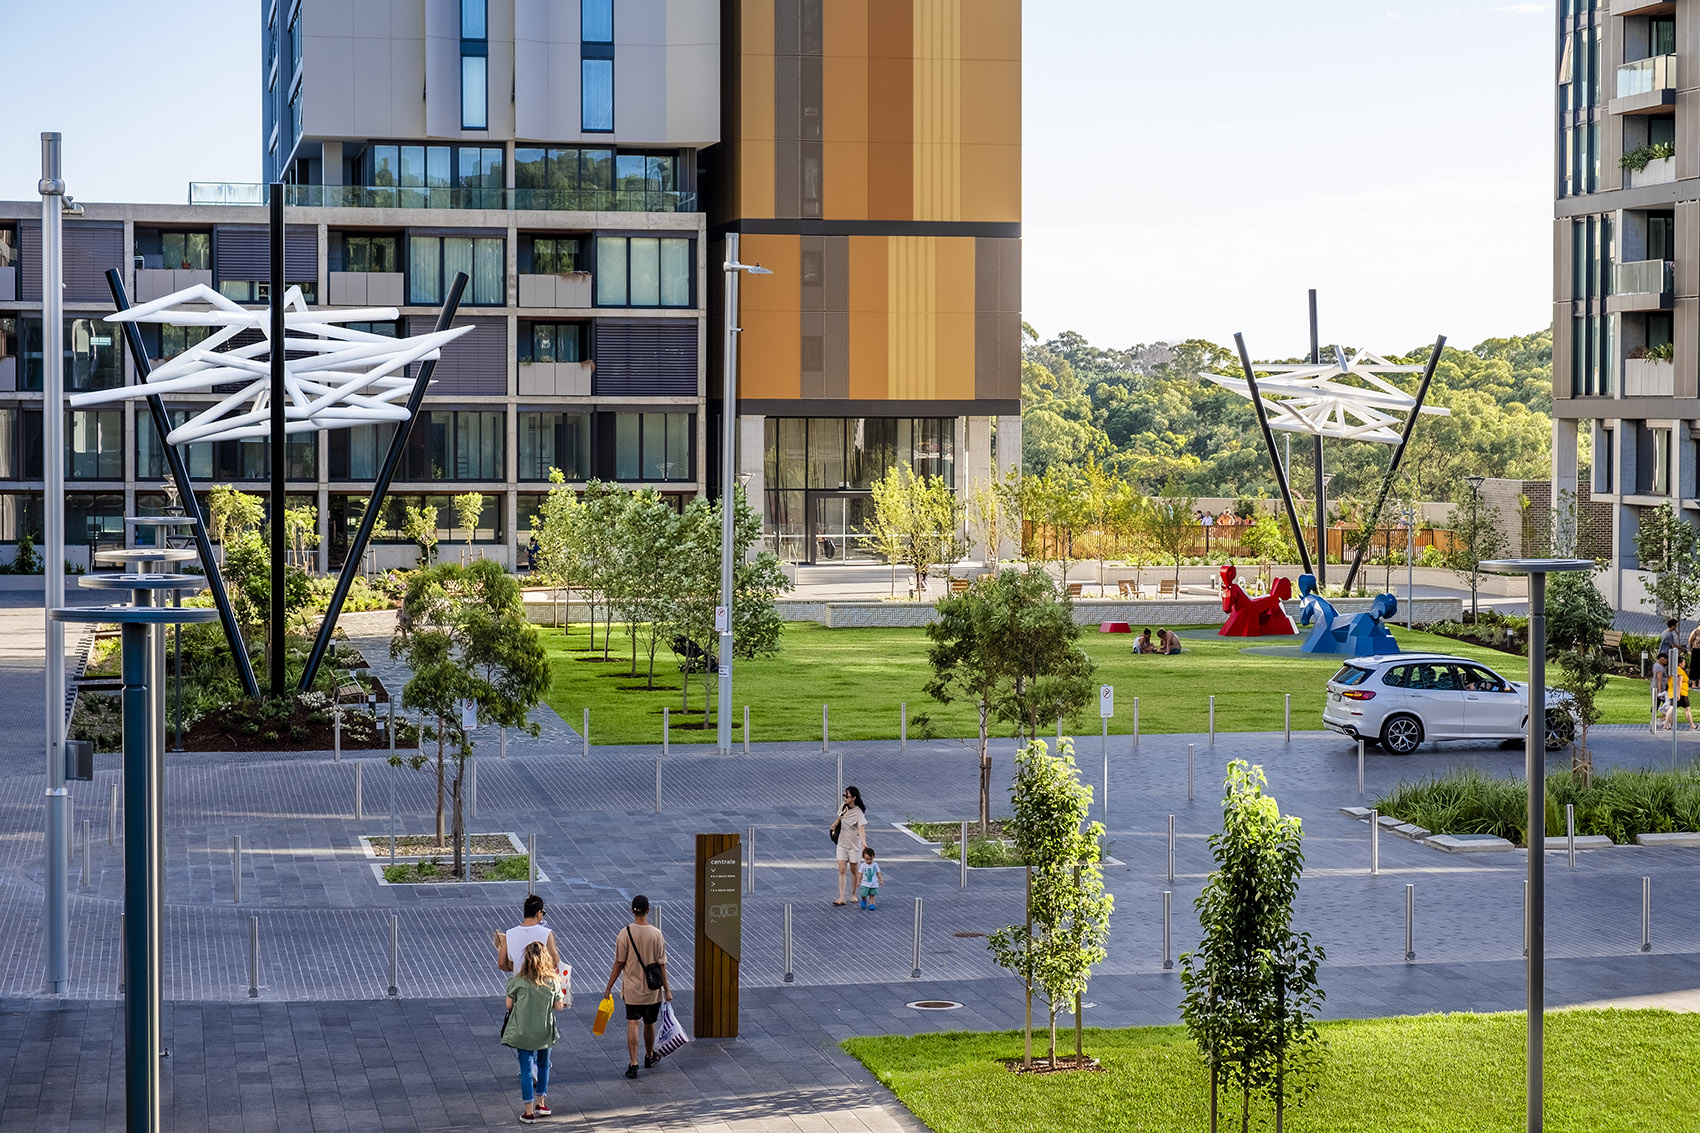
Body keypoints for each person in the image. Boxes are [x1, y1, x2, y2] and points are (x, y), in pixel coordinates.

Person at [601, 894, 670, 1080]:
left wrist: (608, 987)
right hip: (652, 989)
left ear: (632, 910)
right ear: (648, 910)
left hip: (631, 989)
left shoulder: (624, 934)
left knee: (633, 1023)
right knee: (650, 1023)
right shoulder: (656, 934)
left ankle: (633, 1063)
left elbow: (619, 963)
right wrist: (667, 990)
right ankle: (649, 1055)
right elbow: (662, 964)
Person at [502, 940, 564, 1123]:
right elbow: (558, 1006)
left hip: (523, 1032)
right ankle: (541, 1103)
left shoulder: (517, 981)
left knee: (526, 1070)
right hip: (545, 1030)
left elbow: (508, 1005)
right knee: (544, 1065)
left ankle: (528, 1111)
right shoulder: (552, 981)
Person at [496, 894, 559, 975]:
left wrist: (515, 970)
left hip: (519, 983)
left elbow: (501, 963)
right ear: (538, 913)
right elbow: (555, 961)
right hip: (540, 982)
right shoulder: (546, 933)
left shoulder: (509, 934)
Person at [831, 786, 867, 906]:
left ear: (854, 798)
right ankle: (841, 897)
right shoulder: (843, 807)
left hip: (854, 846)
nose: (845, 798)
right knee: (841, 870)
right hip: (842, 843)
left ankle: (853, 894)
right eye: (845, 795)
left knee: (853, 869)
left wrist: (864, 844)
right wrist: (834, 824)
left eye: (847, 796)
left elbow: (861, 829)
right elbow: (839, 818)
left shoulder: (859, 813)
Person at [1665, 659, 1695, 731]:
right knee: (1686, 709)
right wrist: (1678, 694)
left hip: (1676, 692)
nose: (1685, 664)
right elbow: (1679, 683)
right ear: (1679, 663)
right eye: (1683, 662)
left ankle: (1666, 725)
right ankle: (1692, 725)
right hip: (1681, 693)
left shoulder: (1675, 669)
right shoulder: (1679, 670)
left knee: (1672, 707)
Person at [856, 846, 882, 910]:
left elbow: (878, 873)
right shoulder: (863, 866)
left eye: (871, 859)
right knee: (863, 894)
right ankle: (864, 900)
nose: (869, 861)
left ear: (873, 857)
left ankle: (871, 904)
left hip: (873, 883)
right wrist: (858, 881)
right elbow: (860, 874)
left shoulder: (875, 865)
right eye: (867, 859)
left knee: (872, 894)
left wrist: (880, 880)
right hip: (865, 883)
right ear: (864, 858)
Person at [1653, 651, 1669, 726]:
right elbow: (1659, 679)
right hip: (1659, 689)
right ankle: (1662, 719)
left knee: (1657, 703)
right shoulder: (1660, 668)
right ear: (1661, 659)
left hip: (1657, 688)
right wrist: (1660, 691)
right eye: (1666, 659)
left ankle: (1660, 719)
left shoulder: (1656, 665)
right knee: (1667, 704)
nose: (1667, 660)